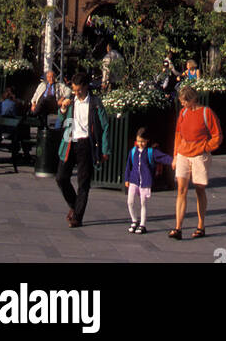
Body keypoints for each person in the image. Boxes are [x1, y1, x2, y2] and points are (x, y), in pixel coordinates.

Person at [56, 72, 110, 228]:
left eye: (79, 90)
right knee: (61, 178)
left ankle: (77, 217)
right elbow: (60, 122)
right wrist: (63, 110)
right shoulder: (71, 101)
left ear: (86, 87)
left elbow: (105, 125)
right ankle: (74, 205)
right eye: (74, 90)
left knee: (83, 182)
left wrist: (105, 149)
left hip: (87, 143)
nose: (76, 93)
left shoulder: (95, 103)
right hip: (69, 141)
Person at [169, 87, 222, 240]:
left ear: (193, 99)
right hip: (183, 154)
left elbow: (217, 136)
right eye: (181, 101)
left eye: (185, 101)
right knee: (181, 190)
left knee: (199, 189)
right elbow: (178, 135)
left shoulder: (206, 113)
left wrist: (205, 147)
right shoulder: (183, 113)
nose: (183, 104)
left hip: (199, 155)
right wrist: (175, 156)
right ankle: (178, 227)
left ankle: (201, 225)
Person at [123, 127, 173, 233]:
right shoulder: (133, 151)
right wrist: (126, 178)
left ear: (147, 141)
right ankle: (134, 220)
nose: (140, 144)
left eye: (143, 141)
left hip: (145, 181)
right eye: (138, 141)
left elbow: (163, 157)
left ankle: (142, 224)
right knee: (130, 202)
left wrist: (173, 161)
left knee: (143, 203)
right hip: (133, 180)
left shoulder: (151, 152)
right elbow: (128, 165)